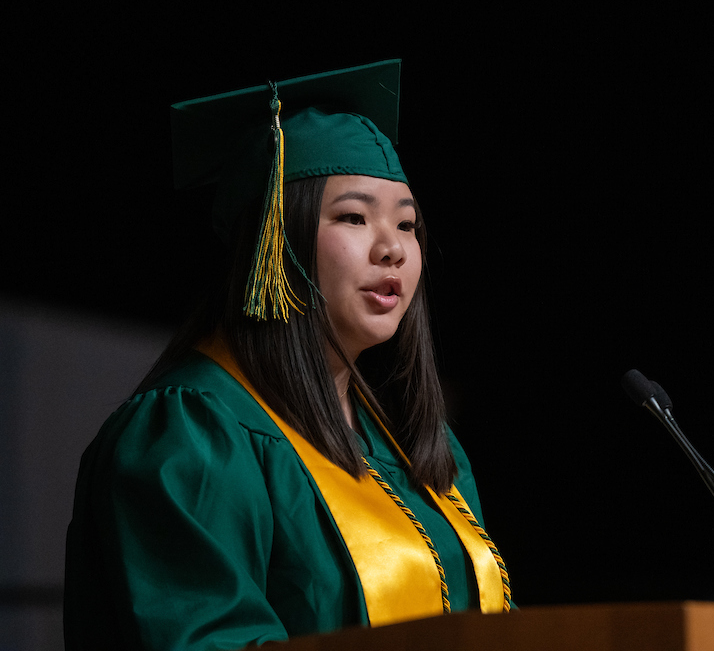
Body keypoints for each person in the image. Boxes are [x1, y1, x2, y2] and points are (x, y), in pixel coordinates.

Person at [64, 60, 511, 650]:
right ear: (273, 242)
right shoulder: (193, 435)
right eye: (353, 217)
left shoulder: (419, 444)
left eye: (408, 225)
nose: (392, 250)